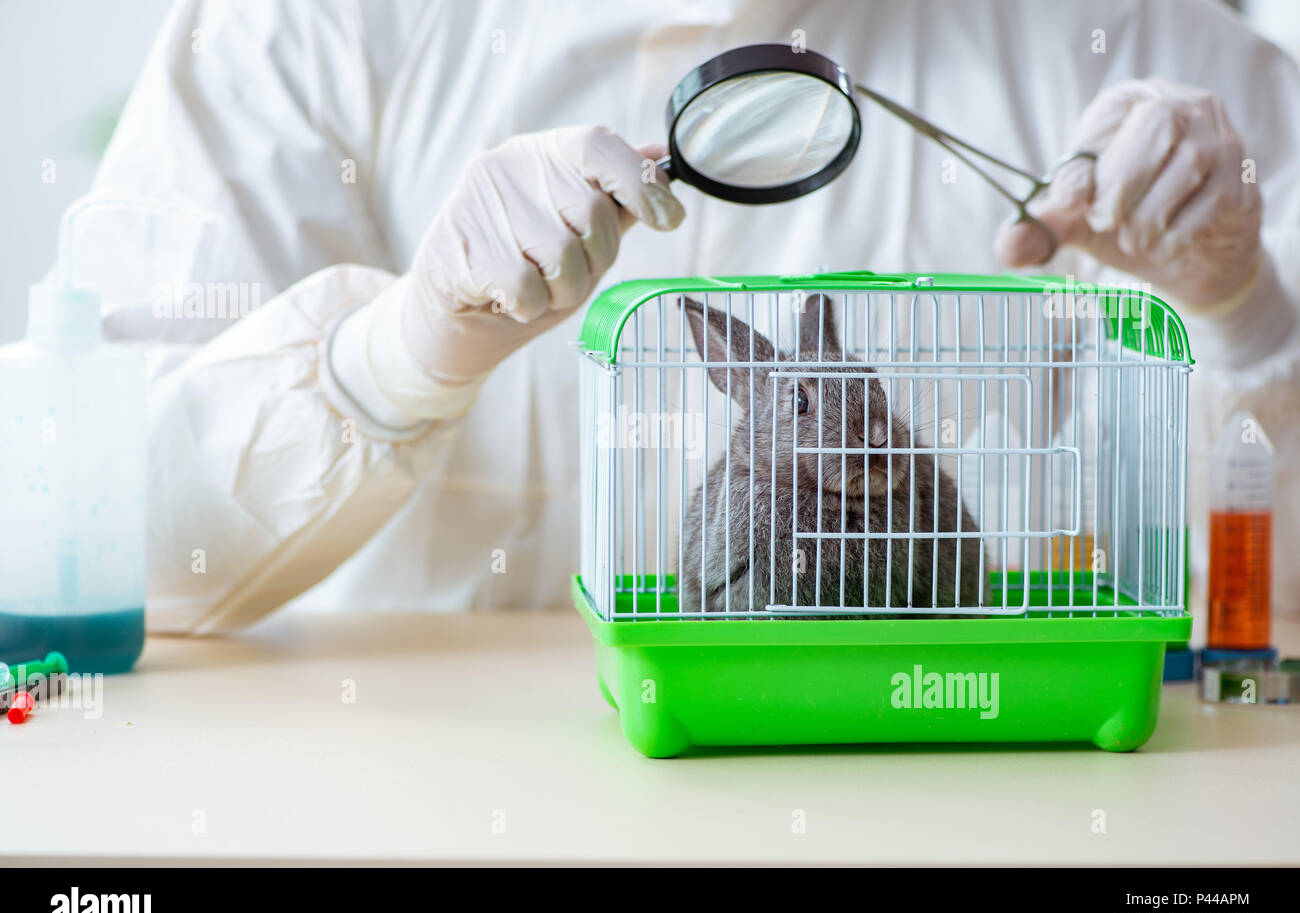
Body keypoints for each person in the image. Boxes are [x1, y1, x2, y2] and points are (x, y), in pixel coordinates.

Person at [83, 0, 1300, 633]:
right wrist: (401, 351)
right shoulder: (305, 28)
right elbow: (91, 550)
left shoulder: (1134, 49)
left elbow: (1256, 637)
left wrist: (1241, 310)